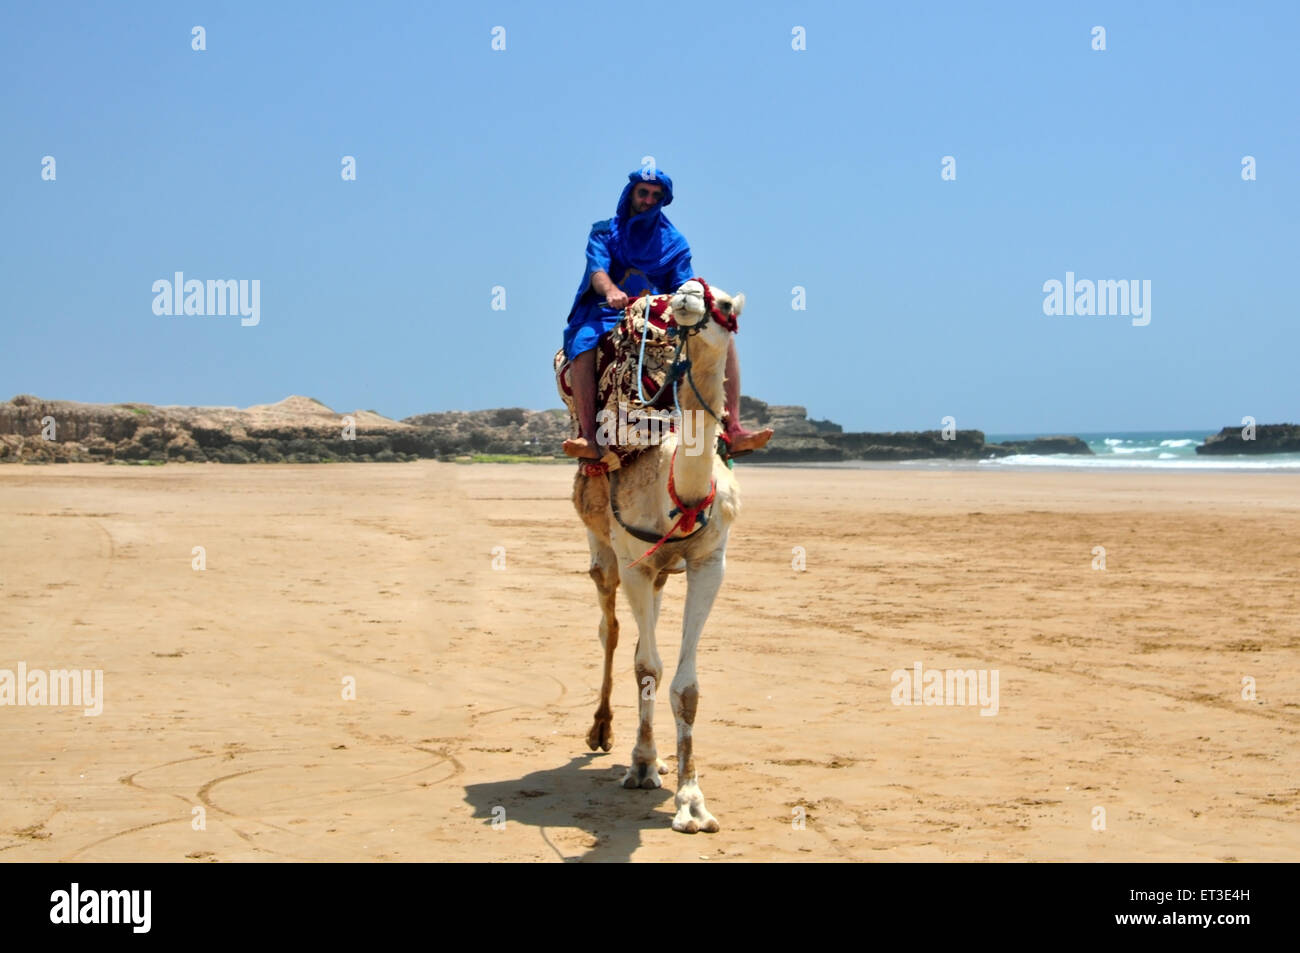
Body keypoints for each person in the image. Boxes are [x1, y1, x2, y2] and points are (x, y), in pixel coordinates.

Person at [560, 168, 774, 460]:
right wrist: (611, 291)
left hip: (657, 314)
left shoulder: (674, 243)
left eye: (655, 196)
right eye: (643, 193)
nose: (648, 200)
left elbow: (683, 284)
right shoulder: (603, 232)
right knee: (583, 345)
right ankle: (588, 437)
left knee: (723, 330)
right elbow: (598, 272)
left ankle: (734, 427)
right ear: (631, 193)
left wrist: (694, 298)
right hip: (605, 313)